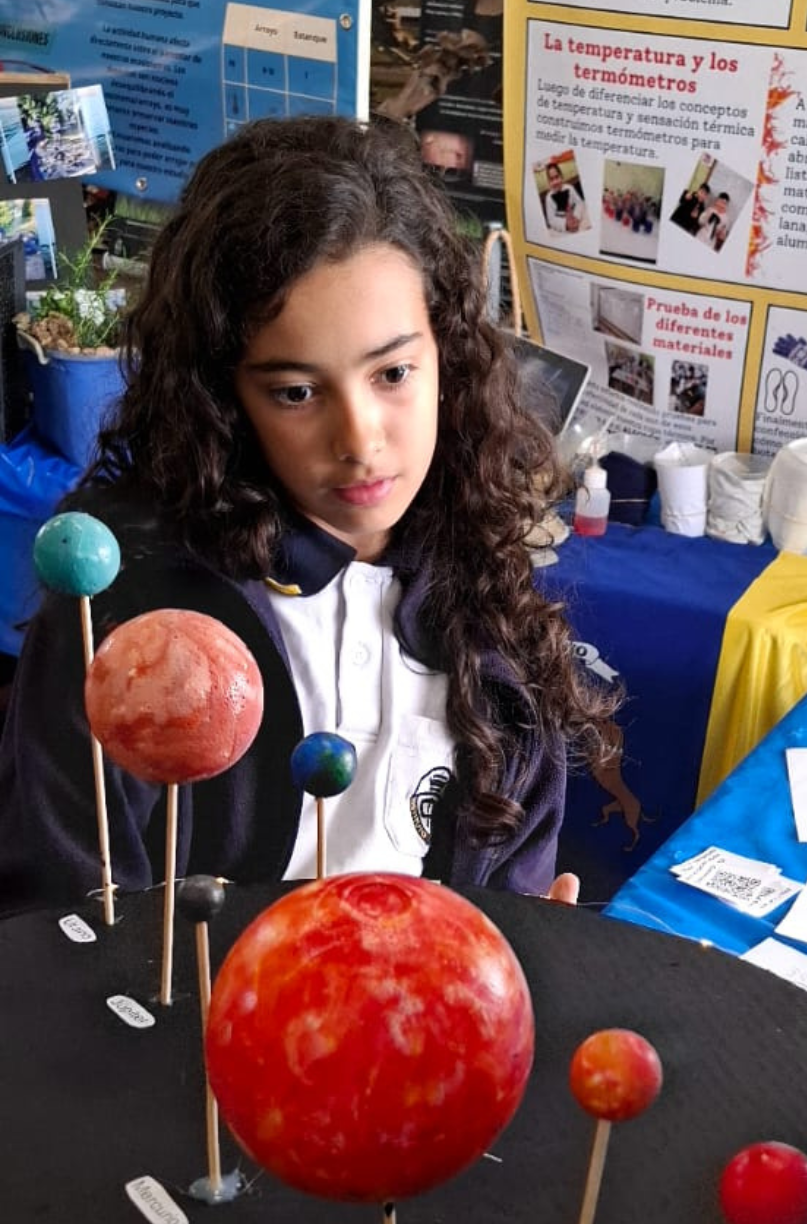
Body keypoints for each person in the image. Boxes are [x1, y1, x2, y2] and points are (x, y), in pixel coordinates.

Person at [0, 114, 614, 912]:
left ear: (449, 358)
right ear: (223, 397)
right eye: (296, 392)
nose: (359, 441)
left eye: (393, 373)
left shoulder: (493, 610)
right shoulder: (128, 614)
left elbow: (511, 898)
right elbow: (58, 916)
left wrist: (530, 949)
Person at [543, 161, 586, 234]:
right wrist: (565, 225)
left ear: (561, 176)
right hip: (563, 226)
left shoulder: (569, 188)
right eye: (552, 179)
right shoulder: (548, 198)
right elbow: (551, 220)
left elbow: (579, 202)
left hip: (575, 218)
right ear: (548, 182)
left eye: (557, 177)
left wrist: (577, 216)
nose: (555, 182)